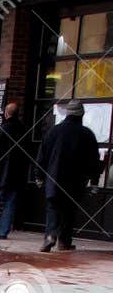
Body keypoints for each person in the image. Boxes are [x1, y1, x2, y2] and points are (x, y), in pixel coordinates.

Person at [38, 99, 101, 251]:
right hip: (76, 181)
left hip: (54, 178)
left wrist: (39, 176)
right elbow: (93, 160)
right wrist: (94, 181)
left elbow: (42, 156)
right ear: (81, 115)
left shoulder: (53, 131)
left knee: (53, 208)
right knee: (69, 210)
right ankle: (64, 241)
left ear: (67, 113)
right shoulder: (87, 134)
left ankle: (50, 235)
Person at [0, 100, 30, 237]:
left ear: (6, 113)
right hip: (17, 173)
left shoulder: (1, 130)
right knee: (10, 202)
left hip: (1, 171)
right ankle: (3, 231)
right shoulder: (24, 131)